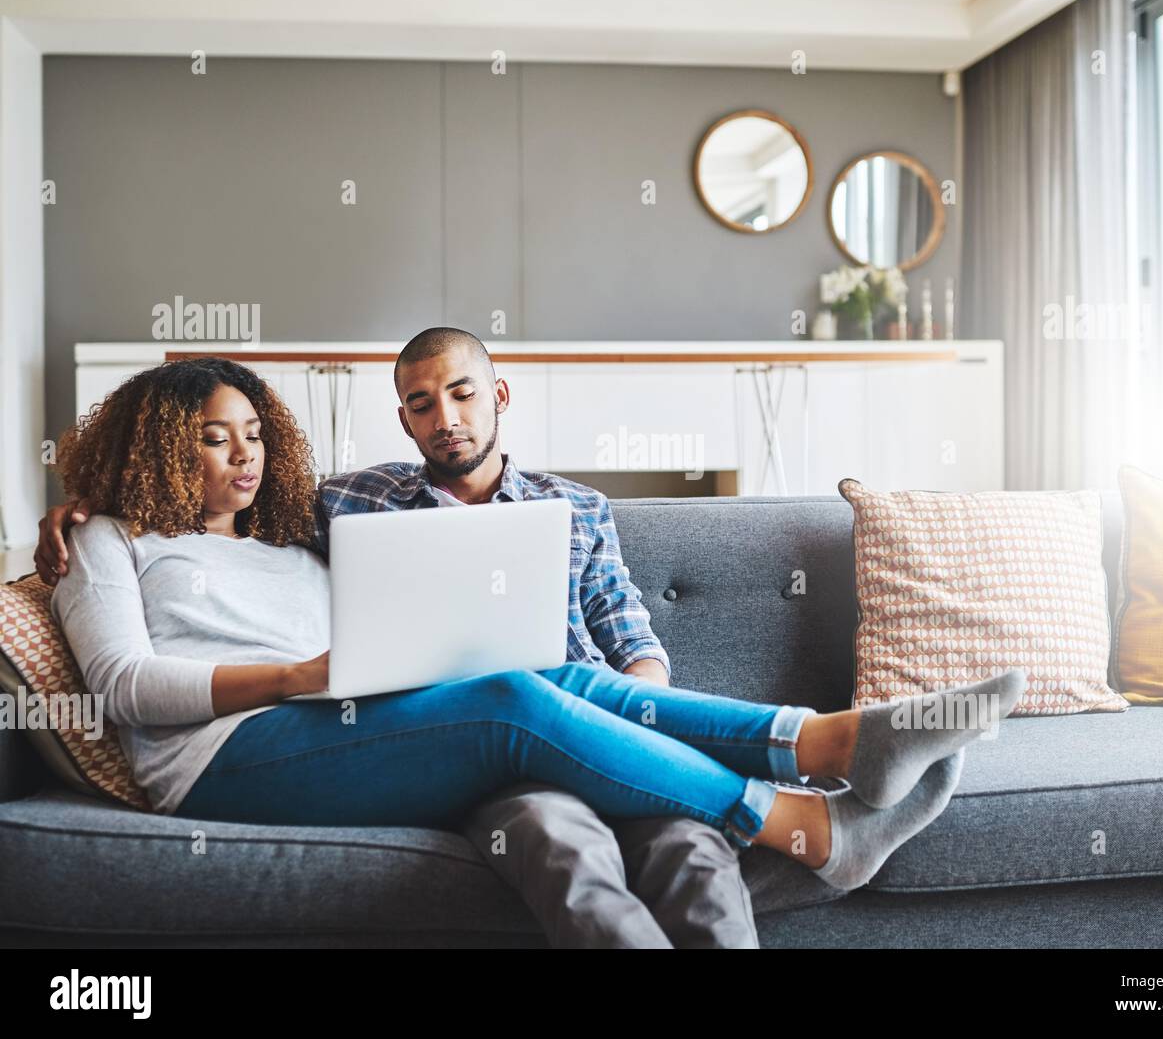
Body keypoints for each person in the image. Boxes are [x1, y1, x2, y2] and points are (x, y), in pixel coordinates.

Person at [40, 349, 1028, 923]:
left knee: (545, 670)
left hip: (336, 722)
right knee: (510, 698)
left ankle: (829, 739)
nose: (245, 456)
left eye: (254, 434)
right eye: (215, 438)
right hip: (219, 759)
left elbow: (611, 632)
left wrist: (342, 673)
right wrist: (297, 674)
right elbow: (124, 683)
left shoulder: (295, 525)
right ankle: (801, 819)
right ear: (158, 447)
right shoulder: (105, 537)